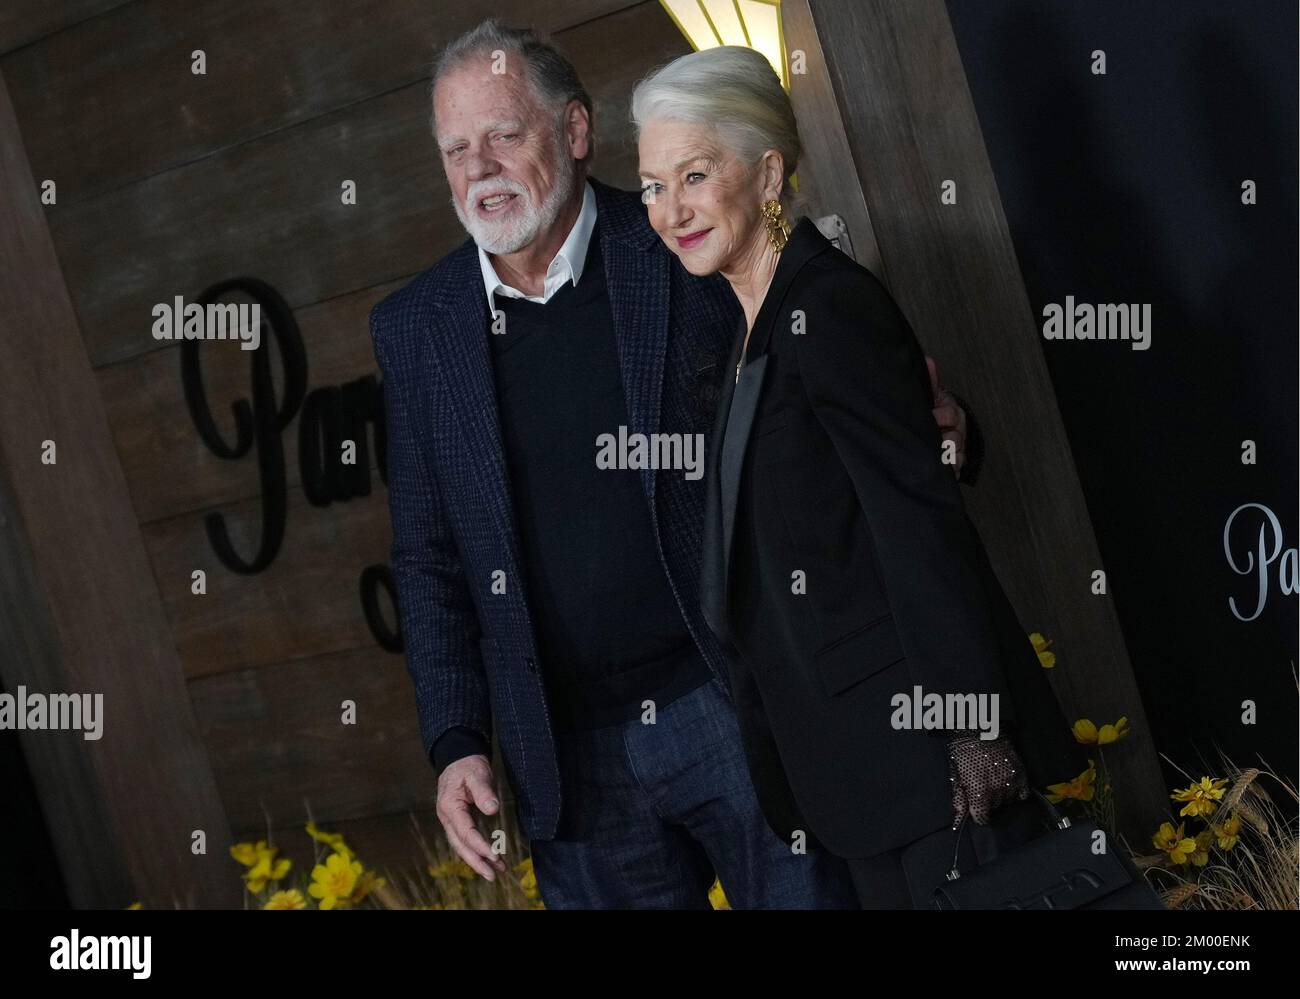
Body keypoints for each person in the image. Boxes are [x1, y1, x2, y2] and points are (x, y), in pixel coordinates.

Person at [370, 20, 976, 909]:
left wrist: (946, 436)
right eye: (455, 148)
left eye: (503, 134)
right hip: (567, 756)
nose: (479, 168)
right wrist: (457, 738)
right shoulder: (416, 329)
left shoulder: (683, 245)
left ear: (574, 132)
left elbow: (835, 412)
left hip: (736, 703)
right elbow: (426, 557)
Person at [633, 45, 1088, 908]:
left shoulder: (827, 306)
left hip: (928, 769)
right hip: (852, 778)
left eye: (694, 175)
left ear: (768, 174)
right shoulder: (747, 332)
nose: (669, 209)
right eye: (654, 185)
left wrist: (971, 728)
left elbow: (920, 527)